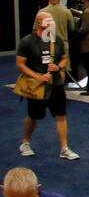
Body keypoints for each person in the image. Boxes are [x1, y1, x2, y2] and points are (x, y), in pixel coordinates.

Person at [17, 12, 78, 161]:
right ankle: (25, 142)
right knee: (33, 116)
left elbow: (64, 59)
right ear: (40, 24)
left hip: (56, 85)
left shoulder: (56, 40)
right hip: (37, 86)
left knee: (61, 115)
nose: (52, 24)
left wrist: (58, 67)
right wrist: (38, 76)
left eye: (52, 22)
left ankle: (64, 148)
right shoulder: (27, 42)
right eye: (48, 22)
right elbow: (20, 64)